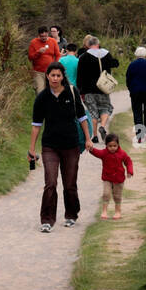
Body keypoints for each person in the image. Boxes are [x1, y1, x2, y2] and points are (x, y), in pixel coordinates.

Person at [29, 62, 93, 232]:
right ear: (47, 76)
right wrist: (32, 149)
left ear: (63, 76)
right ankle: (47, 220)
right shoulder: (42, 98)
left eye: (58, 75)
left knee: (70, 183)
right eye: (52, 75)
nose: (55, 78)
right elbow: (36, 125)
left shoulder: (72, 93)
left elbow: (82, 117)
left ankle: (71, 214)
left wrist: (88, 139)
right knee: (50, 182)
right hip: (50, 146)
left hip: (71, 145)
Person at [76, 35, 120, 144]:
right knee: (105, 107)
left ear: (88, 45)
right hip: (103, 88)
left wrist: (80, 90)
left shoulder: (84, 57)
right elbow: (115, 63)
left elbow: (80, 75)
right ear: (98, 44)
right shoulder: (106, 54)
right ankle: (103, 126)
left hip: (88, 89)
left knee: (92, 112)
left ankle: (95, 136)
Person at [88, 132, 134, 220]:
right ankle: (104, 211)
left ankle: (118, 212)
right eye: (110, 146)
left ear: (118, 145)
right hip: (107, 178)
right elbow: (97, 152)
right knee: (106, 194)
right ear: (106, 145)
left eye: (114, 146)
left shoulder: (122, 153)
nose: (112, 148)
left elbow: (128, 162)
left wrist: (130, 171)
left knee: (117, 195)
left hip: (118, 179)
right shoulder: (104, 153)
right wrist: (91, 148)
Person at [28, 26, 62, 93]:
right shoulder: (33, 42)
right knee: (40, 91)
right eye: (42, 36)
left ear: (48, 34)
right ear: (38, 35)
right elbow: (30, 57)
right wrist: (38, 52)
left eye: (45, 36)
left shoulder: (53, 41)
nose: (44, 38)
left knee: (51, 92)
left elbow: (58, 55)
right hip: (38, 72)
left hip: (50, 71)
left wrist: (56, 65)